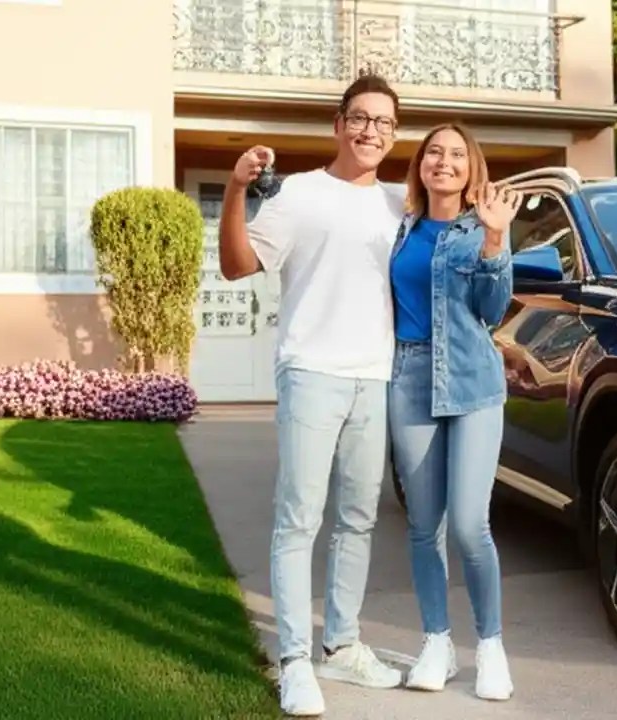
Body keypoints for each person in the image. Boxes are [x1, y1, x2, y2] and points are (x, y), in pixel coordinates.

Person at [217, 74, 407, 717]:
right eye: (360, 118)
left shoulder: (397, 203)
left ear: (393, 133)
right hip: (311, 371)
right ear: (338, 123)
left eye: (384, 122)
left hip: (373, 376)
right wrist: (237, 189)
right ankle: (296, 659)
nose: (371, 130)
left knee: (359, 518)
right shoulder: (298, 194)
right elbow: (237, 265)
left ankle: (342, 645)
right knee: (300, 517)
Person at [386, 123, 521, 701]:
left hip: (471, 381)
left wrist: (494, 245)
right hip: (410, 378)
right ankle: (436, 641)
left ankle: (490, 646)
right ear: (420, 165)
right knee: (423, 527)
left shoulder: (484, 228)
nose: (444, 161)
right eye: (434, 153)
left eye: (456, 155)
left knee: (469, 524)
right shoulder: (400, 226)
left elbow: (492, 312)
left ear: (472, 170)